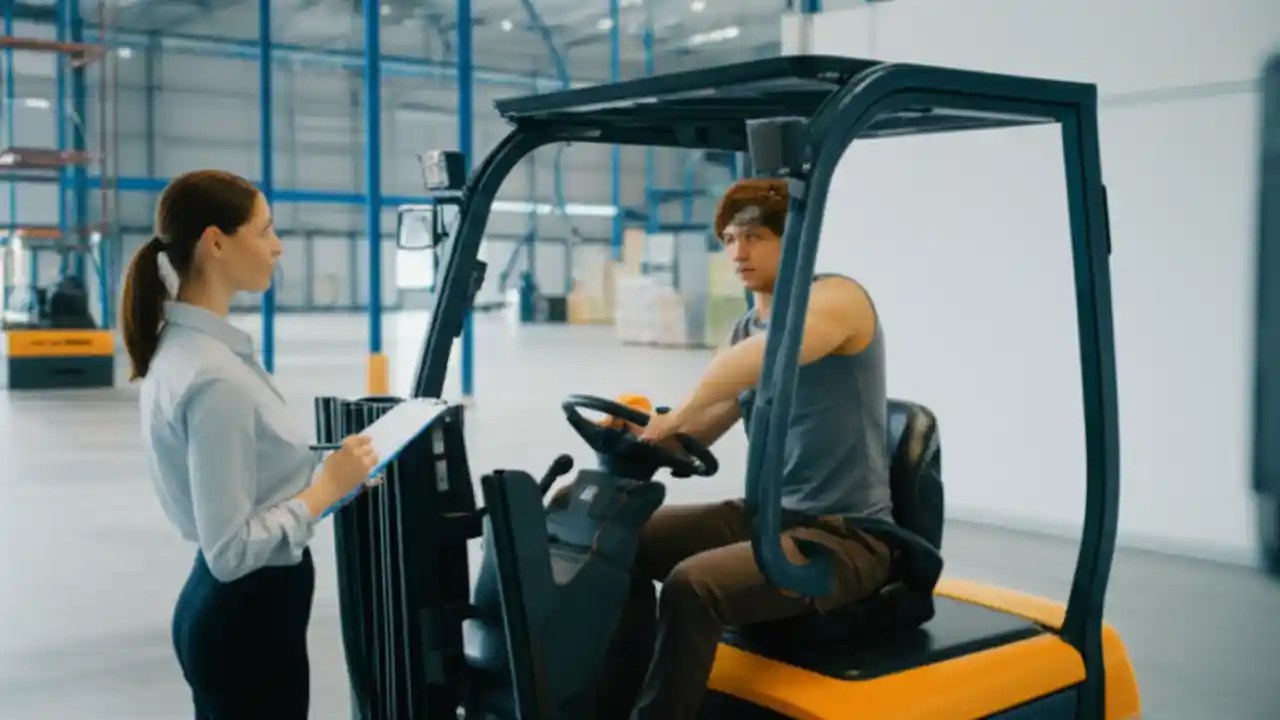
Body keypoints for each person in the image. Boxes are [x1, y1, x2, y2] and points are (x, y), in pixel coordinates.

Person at [599, 177, 896, 719]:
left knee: (694, 586)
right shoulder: (744, 330)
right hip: (768, 517)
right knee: (614, 537)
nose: (738, 252)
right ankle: (623, 696)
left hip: (845, 536)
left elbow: (768, 355)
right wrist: (639, 437)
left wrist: (680, 414)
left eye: (756, 236)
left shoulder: (838, 299)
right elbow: (698, 434)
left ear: (796, 239)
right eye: (730, 238)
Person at [120, 169, 378, 719]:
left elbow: (252, 492)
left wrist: (337, 481)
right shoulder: (216, 379)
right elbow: (231, 551)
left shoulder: (192, 351)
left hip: (239, 613)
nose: (277, 246)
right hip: (248, 619)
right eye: (264, 231)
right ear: (216, 242)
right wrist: (324, 489)